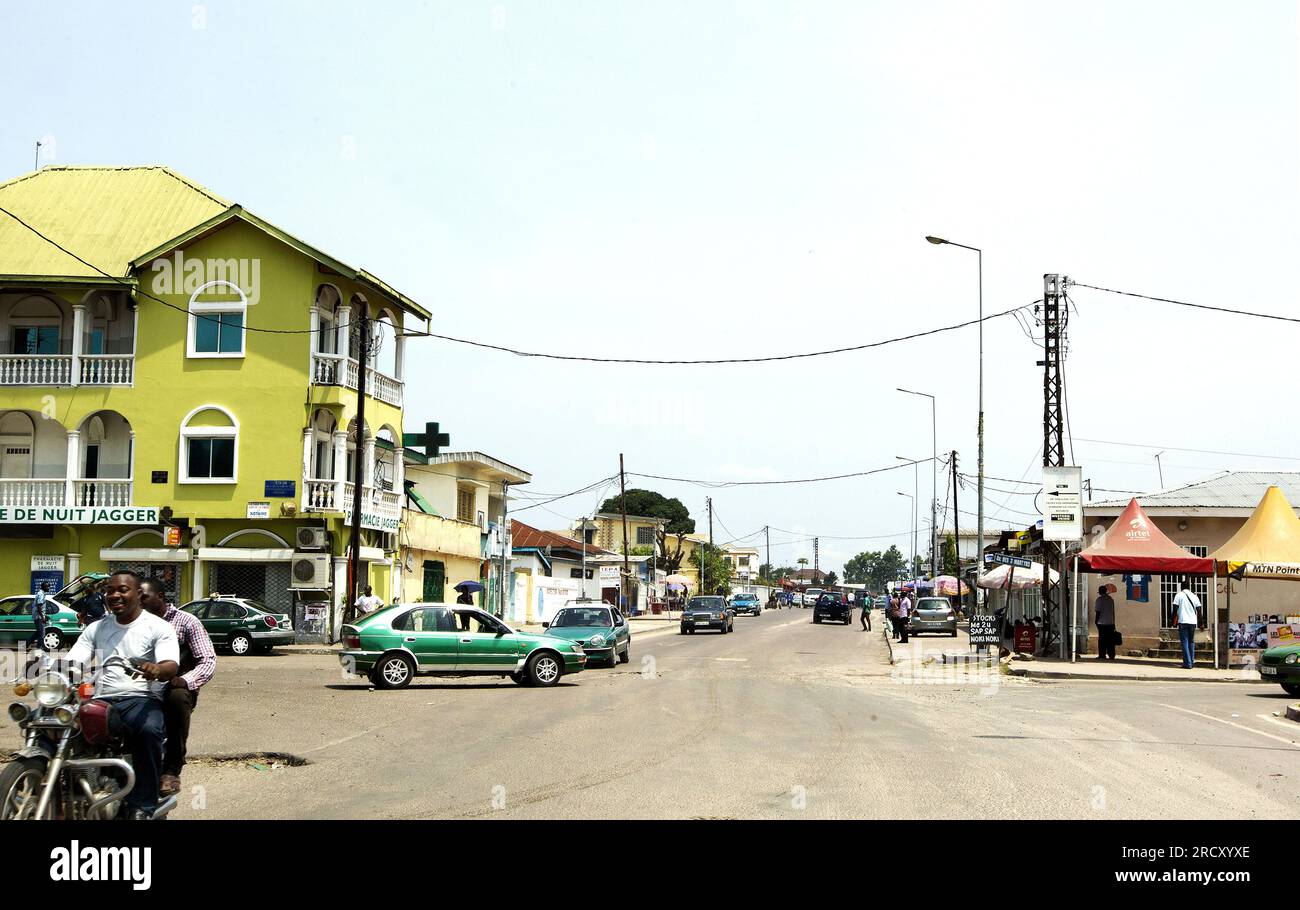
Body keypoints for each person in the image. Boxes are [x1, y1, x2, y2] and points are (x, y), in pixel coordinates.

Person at [66, 571, 179, 819]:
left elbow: (170, 664)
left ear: (138, 594)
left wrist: (157, 669)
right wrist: (55, 673)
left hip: (140, 697)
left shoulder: (158, 627)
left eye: (122, 590)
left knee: (149, 730)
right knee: (56, 724)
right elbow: (74, 661)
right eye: (110, 590)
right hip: (101, 698)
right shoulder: (97, 628)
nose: (114, 595)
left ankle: (142, 805)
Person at [140, 578, 216, 797]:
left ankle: (172, 769)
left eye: (143, 596)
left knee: (177, 697)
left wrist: (185, 680)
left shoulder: (186, 622)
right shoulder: (133, 622)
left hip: (173, 688)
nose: (138, 601)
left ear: (160, 597)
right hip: (139, 686)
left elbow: (207, 660)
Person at [1172, 579, 1202, 669]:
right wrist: (1201, 623)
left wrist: (1173, 620)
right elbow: (1199, 610)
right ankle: (1191, 662)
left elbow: (1175, 609)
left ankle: (1187, 663)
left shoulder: (1179, 595)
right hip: (1193, 622)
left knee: (1184, 642)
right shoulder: (1194, 596)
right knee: (1191, 641)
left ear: (1181, 587)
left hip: (1183, 621)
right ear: (1189, 587)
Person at [1094, 583, 1117, 660]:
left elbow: (1098, 611)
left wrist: (1096, 621)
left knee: (1102, 639)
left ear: (1100, 592)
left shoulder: (1099, 600)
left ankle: (1102, 654)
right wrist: (1114, 623)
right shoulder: (1111, 600)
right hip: (1110, 622)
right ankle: (1111, 654)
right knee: (1110, 640)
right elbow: (1113, 612)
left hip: (1102, 622)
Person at [29, 582, 50, 651]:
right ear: (43, 587)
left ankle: (25, 644)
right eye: (47, 587)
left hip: (38, 616)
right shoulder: (41, 594)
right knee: (41, 633)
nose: (48, 588)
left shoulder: (41, 594)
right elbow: (39, 606)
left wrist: (45, 615)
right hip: (39, 617)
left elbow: (41, 607)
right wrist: (43, 617)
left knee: (38, 632)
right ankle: (39, 648)